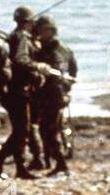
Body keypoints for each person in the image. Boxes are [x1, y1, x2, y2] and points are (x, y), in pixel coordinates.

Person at [0, 6, 43, 179]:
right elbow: (20, 60)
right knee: (21, 131)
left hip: (13, 91)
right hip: (18, 92)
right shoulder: (21, 38)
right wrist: (37, 66)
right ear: (29, 21)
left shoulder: (14, 36)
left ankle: (19, 167)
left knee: (20, 130)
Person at [31, 15, 77, 177]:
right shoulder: (65, 49)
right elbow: (73, 71)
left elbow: (66, 71)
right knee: (51, 128)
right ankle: (53, 160)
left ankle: (61, 163)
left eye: (46, 30)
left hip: (53, 95)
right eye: (42, 30)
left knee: (48, 129)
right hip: (56, 94)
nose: (44, 33)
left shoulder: (46, 50)